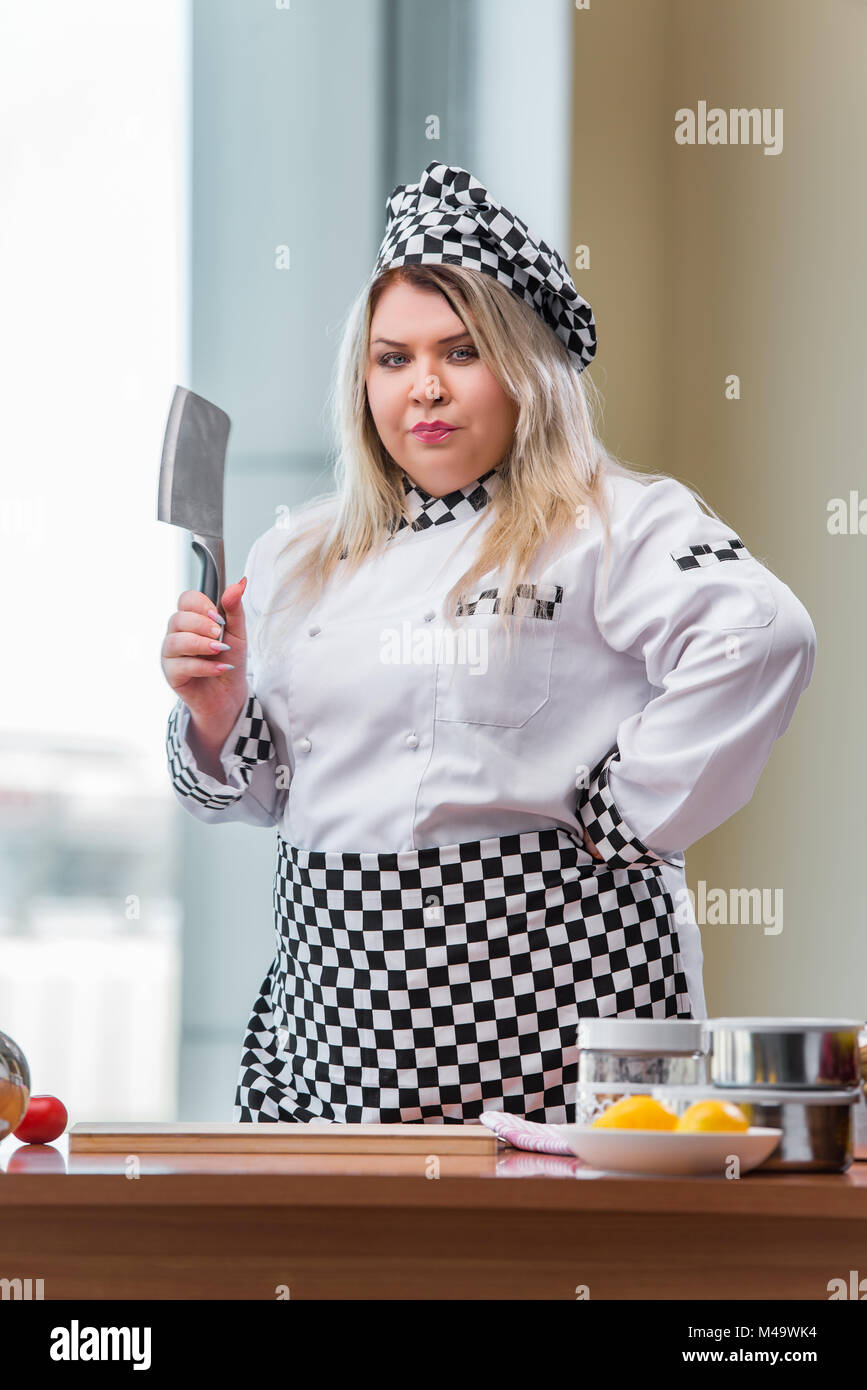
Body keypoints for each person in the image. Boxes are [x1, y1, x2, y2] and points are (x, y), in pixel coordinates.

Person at [161, 162, 817, 1125]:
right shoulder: (295, 551)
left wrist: (619, 813)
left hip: (559, 1033)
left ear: (527, 369)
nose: (422, 388)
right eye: (392, 359)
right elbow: (261, 795)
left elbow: (763, 637)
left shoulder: (618, 525)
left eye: (461, 352)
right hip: (330, 1038)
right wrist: (217, 717)